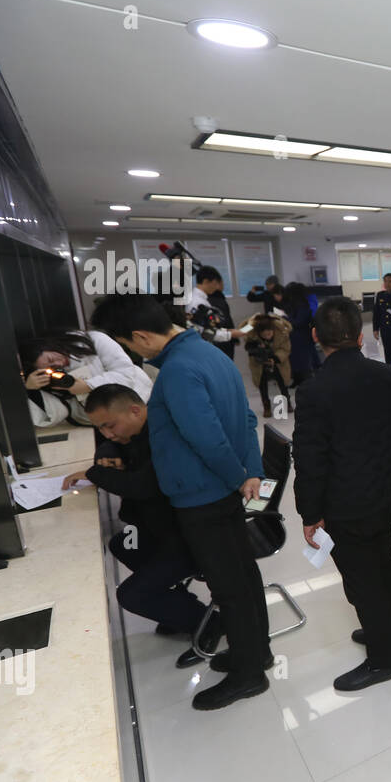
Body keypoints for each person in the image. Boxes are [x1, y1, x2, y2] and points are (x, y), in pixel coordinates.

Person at [89, 294, 273, 711]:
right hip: (217, 492)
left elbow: (206, 437)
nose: (135, 354)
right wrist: (250, 470)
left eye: (131, 346)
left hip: (204, 498)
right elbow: (246, 419)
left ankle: (249, 675)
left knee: (230, 588)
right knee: (242, 578)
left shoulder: (176, 371)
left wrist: (239, 477)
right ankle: (255, 653)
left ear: (140, 335)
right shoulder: (210, 354)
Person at [293, 297, 391, 692]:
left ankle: (383, 659)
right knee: (385, 561)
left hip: (344, 503)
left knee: (362, 581)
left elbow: (310, 460)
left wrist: (310, 514)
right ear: (360, 336)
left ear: (315, 337)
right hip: (383, 491)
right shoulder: (387, 376)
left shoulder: (313, 391)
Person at [61, 385, 215, 659]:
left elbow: (143, 486)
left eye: (110, 426)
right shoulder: (139, 431)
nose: (107, 434)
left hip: (194, 534)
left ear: (135, 410)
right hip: (164, 528)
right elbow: (126, 457)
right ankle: (180, 604)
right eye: (101, 430)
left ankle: (209, 624)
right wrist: (105, 455)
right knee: (122, 544)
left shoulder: (163, 436)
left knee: (131, 596)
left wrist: (96, 472)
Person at [21, 328, 153, 427]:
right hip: (105, 419)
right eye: (52, 367)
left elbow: (125, 373)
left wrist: (88, 385)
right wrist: (31, 389)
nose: (58, 364)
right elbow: (54, 414)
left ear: (50, 345)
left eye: (52, 358)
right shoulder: (56, 377)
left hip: (141, 397)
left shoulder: (94, 340)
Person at [241, 313, 292, 418]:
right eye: (264, 333)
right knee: (262, 385)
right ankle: (266, 406)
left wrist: (275, 359)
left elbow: (285, 349)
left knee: (283, 384)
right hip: (259, 365)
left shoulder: (281, 334)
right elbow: (243, 331)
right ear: (259, 333)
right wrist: (253, 320)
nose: (267, 334)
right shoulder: (252, 336)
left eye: (270, 331)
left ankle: (288, 403)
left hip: (279, 364)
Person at [184, 266, 242, 352]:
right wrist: (230, 334)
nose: (217, 287)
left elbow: (208, 326)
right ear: (206, 281)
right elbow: (204, 332)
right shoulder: (198, 302)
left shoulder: (199, 299)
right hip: (200, 348)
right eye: (215, 283)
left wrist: (227, 331)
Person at [282, 282, 318, 385]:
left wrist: (285, 318)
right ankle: (298, 380)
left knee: (303, 363)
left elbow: (299, 322)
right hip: (297, 337)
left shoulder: (303, 305)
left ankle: (306, 383)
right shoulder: (298, 303)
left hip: (302, 337)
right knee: (296, 361)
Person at [372, 273, 391, 364]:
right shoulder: (380, 295)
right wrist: (375, 329)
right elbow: (376, 313)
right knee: (387, 351)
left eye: (390, 281)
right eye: (385, 281)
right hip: (385, 329)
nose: (387, 283)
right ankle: (389, 369)